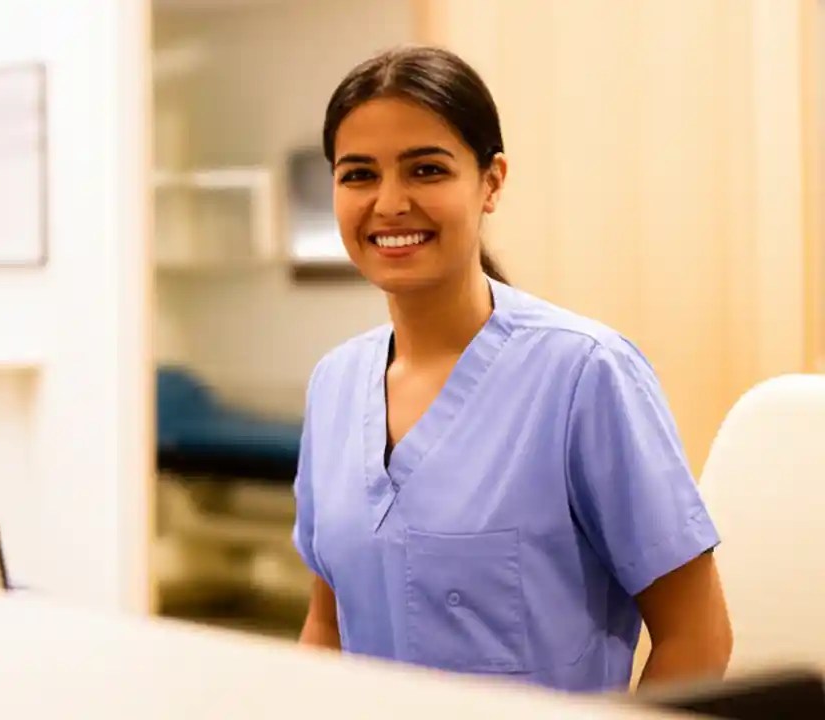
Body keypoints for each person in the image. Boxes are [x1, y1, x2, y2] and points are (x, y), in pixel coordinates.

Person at [292, 46, 732, 693]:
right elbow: (327, 627)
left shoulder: (584, 374)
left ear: (491, 181)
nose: (389, 203)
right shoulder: (334, 384)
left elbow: (697, 637)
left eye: (426, 170)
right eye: (359, 175)